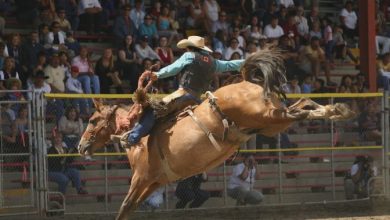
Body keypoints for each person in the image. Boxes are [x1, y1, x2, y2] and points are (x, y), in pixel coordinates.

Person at [119, 35, 244, 148]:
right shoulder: (213, 62)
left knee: (152, 110)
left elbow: (174, 68)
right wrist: (247, 62)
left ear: (189, 48)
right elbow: (230, 65)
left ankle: (132, 138)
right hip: (198, 99)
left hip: (183, 94)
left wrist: (158, 74)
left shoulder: (189, 56)